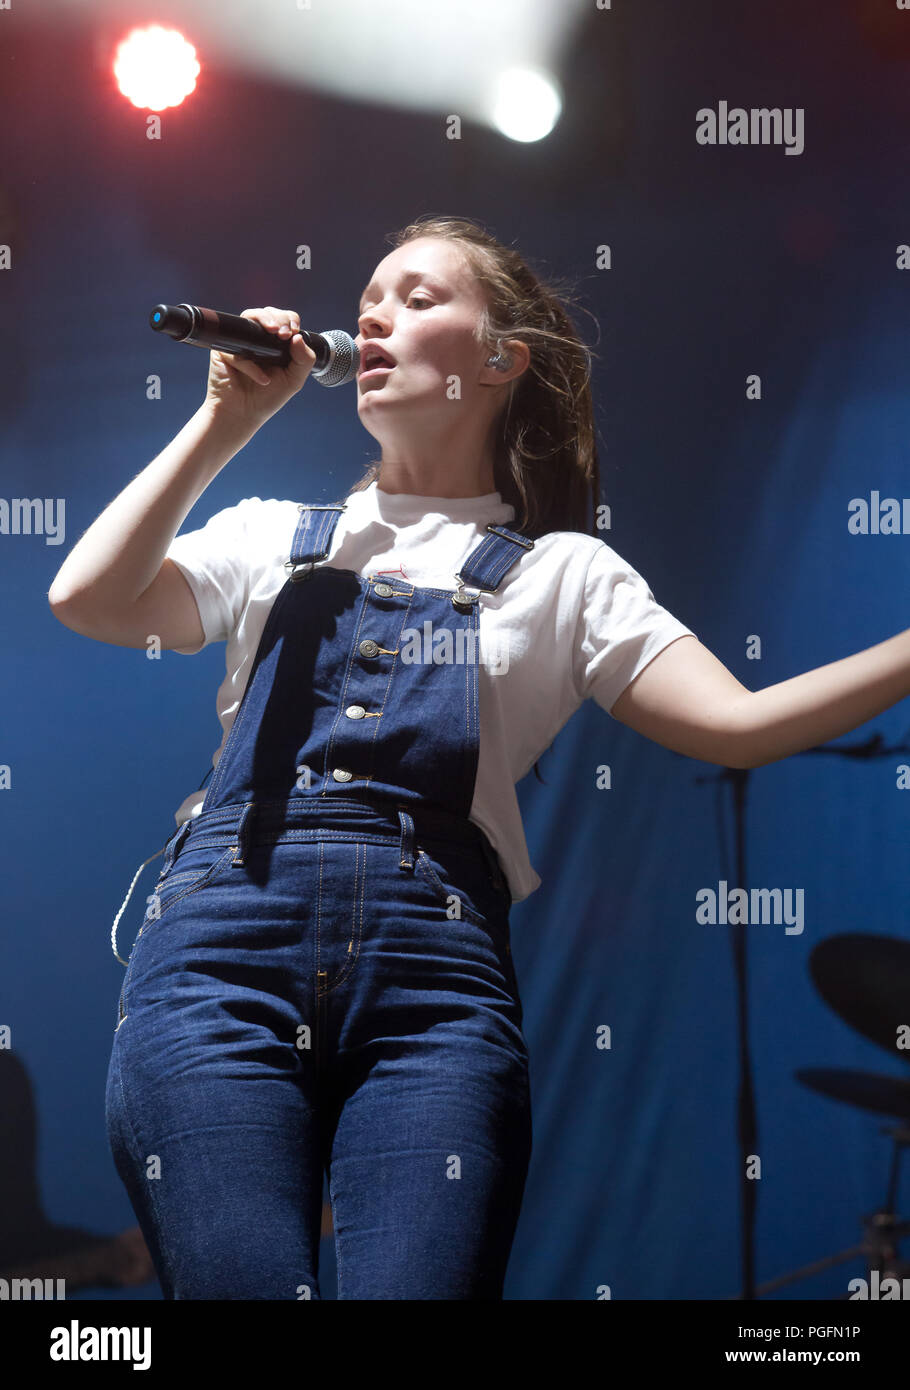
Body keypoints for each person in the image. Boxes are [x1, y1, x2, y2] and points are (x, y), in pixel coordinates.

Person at [48, 215, 910, 1300]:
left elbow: (739, 723)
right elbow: (88, 596)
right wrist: (225, 421)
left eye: (417, 297)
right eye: (368, 298)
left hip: (434, 984)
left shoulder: (567, 574)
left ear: (502, 359)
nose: (374, 315)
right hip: (219, 950)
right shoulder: (271, 529)